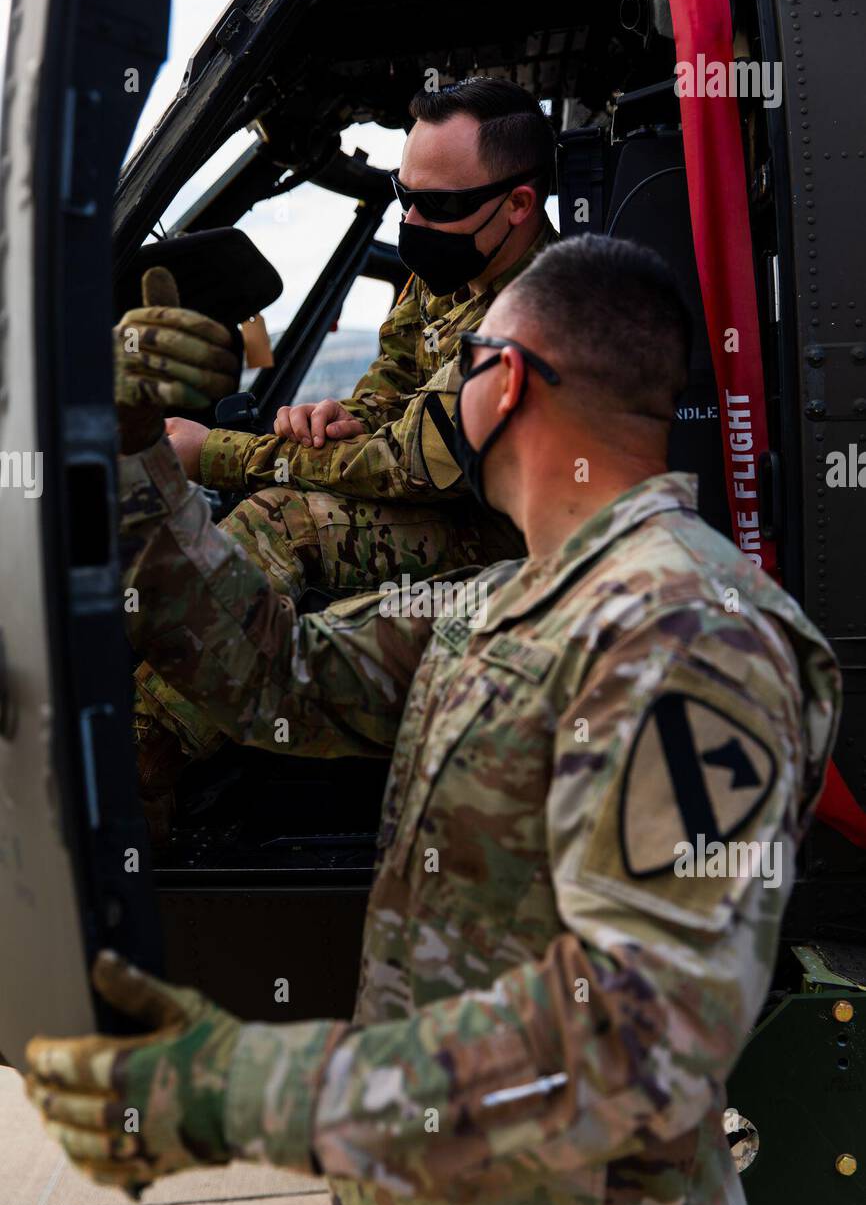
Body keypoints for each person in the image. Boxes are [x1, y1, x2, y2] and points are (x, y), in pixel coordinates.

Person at [27, 234, 840, 1205]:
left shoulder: (686, 630)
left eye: (458, 369)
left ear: (500, 382)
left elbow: (641, 1034)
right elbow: (268, 667)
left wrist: (252, 1085)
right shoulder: (501, 602)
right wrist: (129, 435)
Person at [117, 78, 558, 821]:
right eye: (403, 194)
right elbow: (389, 391)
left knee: (289, 520)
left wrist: (215, 453)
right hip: (449, 506)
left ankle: (144, 753)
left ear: (518, 204)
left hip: (513, 541)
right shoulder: (446, 267)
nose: (413, 219)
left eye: (438, 205)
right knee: (281, 508)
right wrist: (335, 420)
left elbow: (415, 464)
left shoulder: (539, 311)